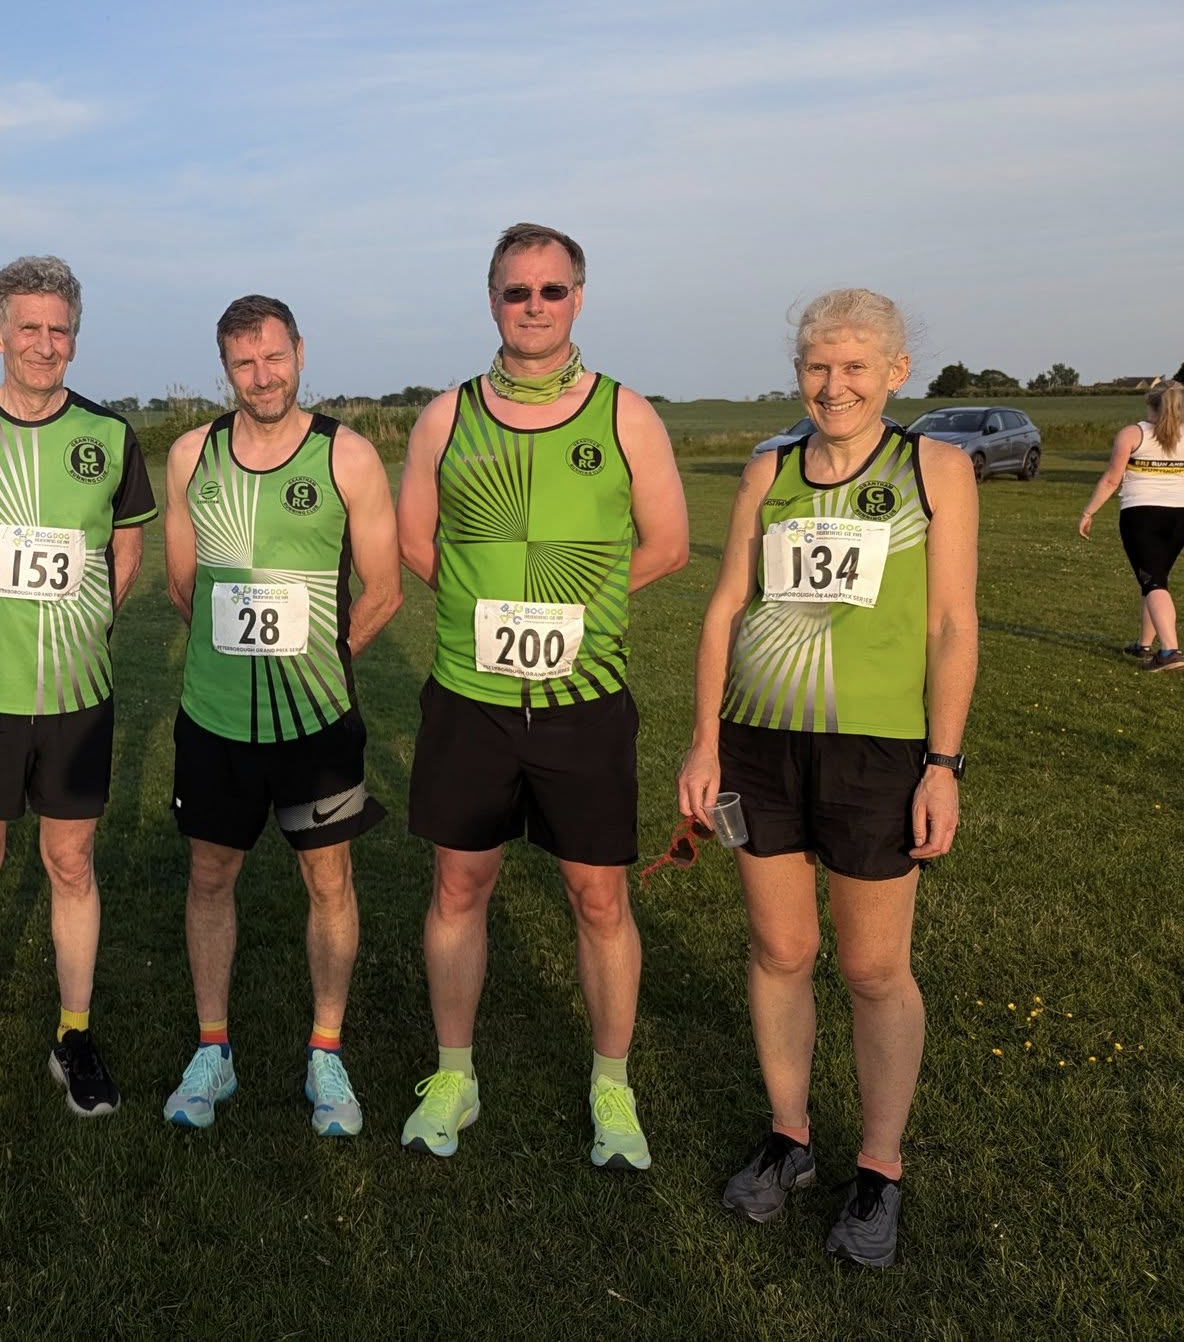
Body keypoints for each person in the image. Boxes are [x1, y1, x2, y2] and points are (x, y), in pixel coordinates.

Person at [678, 288, 978, 1268]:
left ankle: (878, 1170)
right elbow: (725, 606)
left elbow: (948, 626)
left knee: (872, 969)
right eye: (816, 364)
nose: (832, 383)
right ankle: (788, 1138)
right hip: (758, 743)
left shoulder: (932, 467)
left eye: (854, 366)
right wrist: (701, 744)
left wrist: (941, 763)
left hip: (878, 750)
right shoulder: (766, 470)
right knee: (776, 948)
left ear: (895, 372)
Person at [396, 222, 689, 1164]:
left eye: (551, 291)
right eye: (517, 292)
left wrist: (583, 605)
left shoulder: (625, 413)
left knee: (598, 898)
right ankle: (454, 1074)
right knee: (459, 885)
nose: (533, 307)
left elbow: (669, 544)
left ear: (578, 299)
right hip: (469, 698)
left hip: (584, 698)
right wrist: (487, 613)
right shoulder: (445, 416)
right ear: (492, 300)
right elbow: (415, 543)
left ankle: (612, 1087)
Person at [0, 255, 157, 1128]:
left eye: (60, 331)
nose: (45, 345)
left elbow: (125, 553)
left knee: (70, 862)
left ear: (74, 339)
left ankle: (75, 1034)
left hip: (77, 691)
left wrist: (77, 627)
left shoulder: (112, 436)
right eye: (30, 329)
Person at [158, 296, 402, 1136]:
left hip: (317, 725)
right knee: (210, 878)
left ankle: (326, 1054)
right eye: (242, 364)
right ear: (225, 369)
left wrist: (321, 664)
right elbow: (182, 586)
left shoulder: (350, 456)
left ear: (299, 351)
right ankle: (213, 1048)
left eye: (272, 357)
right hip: (214, 722)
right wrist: (235, 661)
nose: (261, 377)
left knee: (328, 881)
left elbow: (386, 588)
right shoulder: (192, 453)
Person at [1077, 379, 1184, 672]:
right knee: (1154, 579)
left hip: (1141, 516)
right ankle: (1144, 645)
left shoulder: (1132, 434)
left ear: (1151, 405)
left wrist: (1088, 512)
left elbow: (1112, 479)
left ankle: (1171, 650)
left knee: (1154, 581)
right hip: (1179, 517)